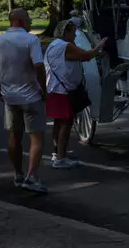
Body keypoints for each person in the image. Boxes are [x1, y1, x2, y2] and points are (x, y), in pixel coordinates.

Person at [0, 9, 48, 192]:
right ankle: (32, 176)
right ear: (19, 20)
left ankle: (18, 174)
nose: (31, 21)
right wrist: (44, 89)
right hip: (31, 95)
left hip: (10, 98)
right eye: (28, 18)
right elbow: (39, 66)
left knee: (14, 136)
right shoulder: (31, 40)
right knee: (36, 137)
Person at [44, 20, 107, 169]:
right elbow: (87, 55)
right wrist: (99, 46)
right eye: (73, 32)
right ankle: (60, 158)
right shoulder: (66, 46)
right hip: (63, 90)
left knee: (59, 123)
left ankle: (57, 153)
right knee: (65, 124)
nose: (74, 35)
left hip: (55, 88)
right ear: (65, 32)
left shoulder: (54, 45)